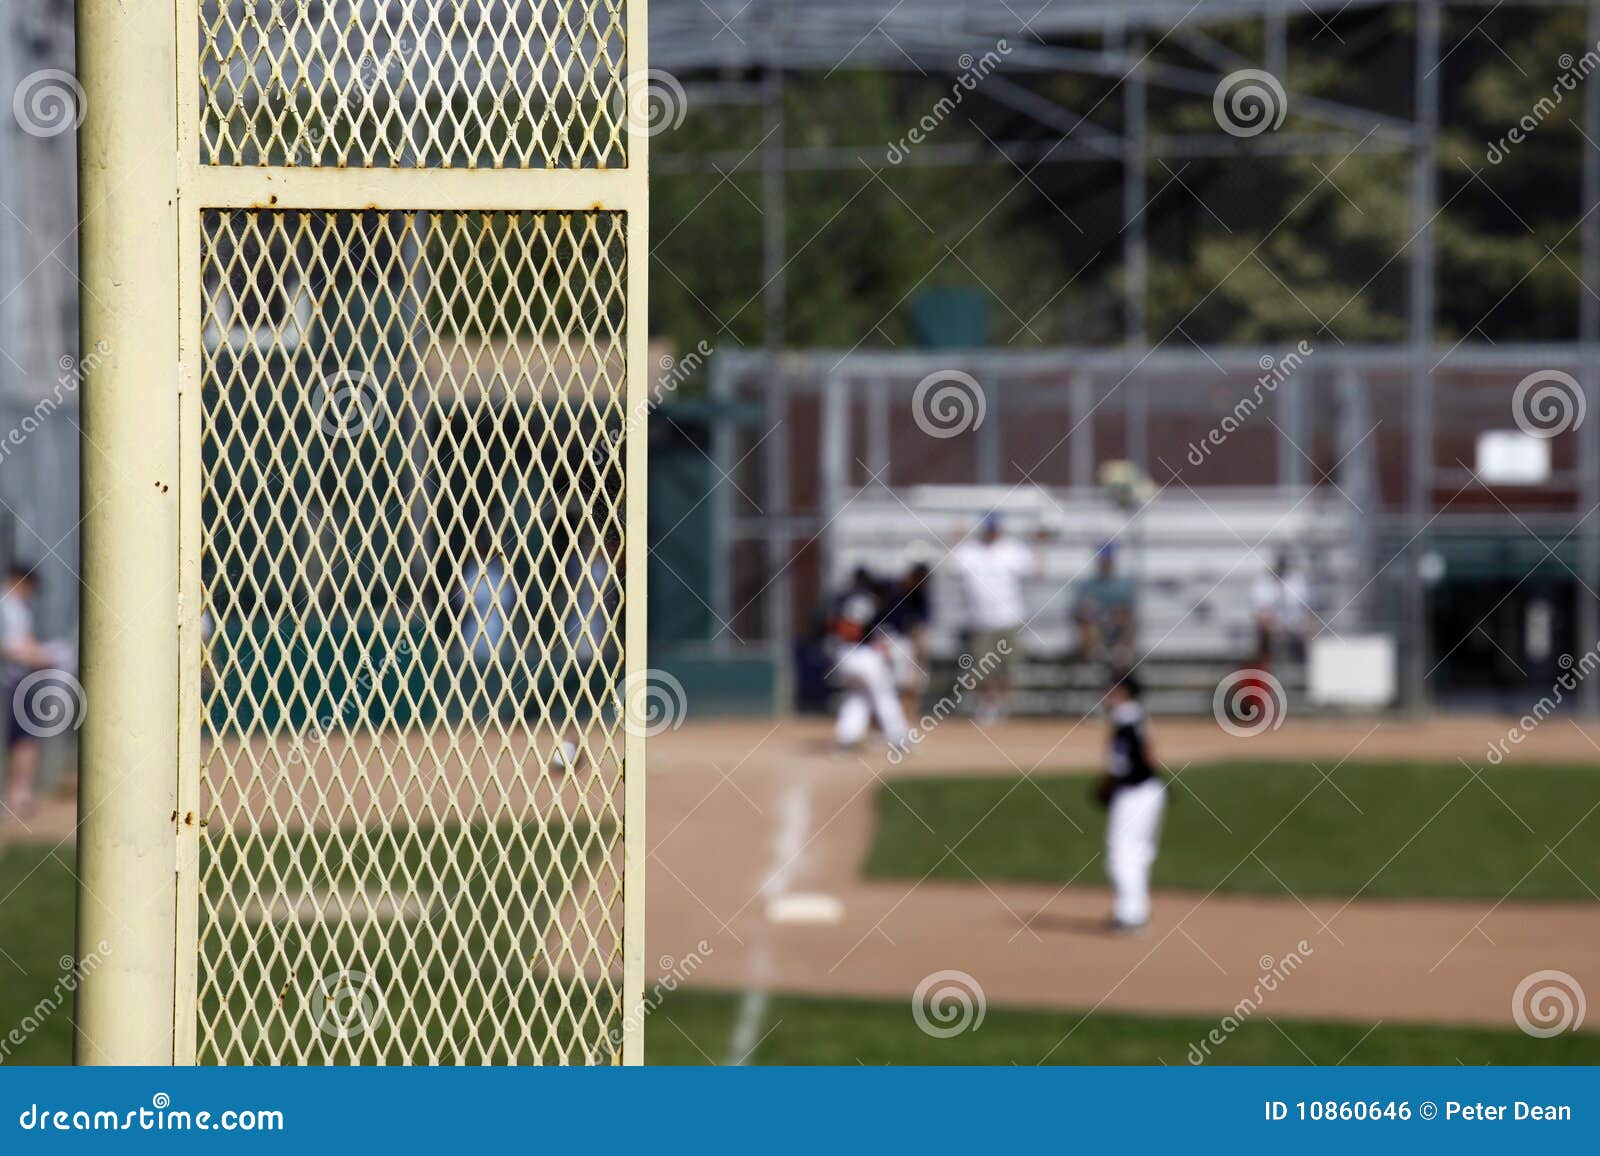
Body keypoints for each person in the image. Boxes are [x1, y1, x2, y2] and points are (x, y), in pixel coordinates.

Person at [1092, 673, 1166, 933]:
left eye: (1111, 690)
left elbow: (1120, 765)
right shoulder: (1139, 717)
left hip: (1133, 793)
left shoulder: (1124, 720)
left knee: (1121, 853)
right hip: (1150, 790)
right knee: (1138, 853)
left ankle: (1130, 915)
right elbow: (1150, 756)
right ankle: (1135, 911)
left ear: (1123, 693)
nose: (1106, 695)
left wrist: (1105, 787)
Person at [952, 513, 1035, 725]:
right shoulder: (970, 550)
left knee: (1007, 667)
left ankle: (1002, 707)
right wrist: (955, 539)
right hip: (981, 620)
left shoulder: (1013, 550)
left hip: (1009, 618)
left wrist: (1040, 543)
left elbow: (1035, 570)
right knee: (981, 668)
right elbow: (951, 566)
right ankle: (987, 706)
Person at [2, 565, 66, 820]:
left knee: (25, 738)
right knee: (24, 738)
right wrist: (42, 657)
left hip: (19, 679)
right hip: (13, 679)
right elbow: (9, 647)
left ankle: (20, 793)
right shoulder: (8, 606)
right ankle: (17, 794)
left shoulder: (15, 608)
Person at [826, 572, 909, 753]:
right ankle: (898, 737)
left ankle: (846, 738)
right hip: (862, 656)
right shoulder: (866, 600)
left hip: (844, 655)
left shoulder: (843, 598)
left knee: (859, 696)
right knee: (884, 694)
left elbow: (832, 626)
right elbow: (852, 630)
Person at [1073, 540, 1136, 674]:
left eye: (1108, 559)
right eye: (1103, 559)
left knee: (1127, 617)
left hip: (1116, 624)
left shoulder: (1124, 584)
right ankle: (1096, 652)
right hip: (1097, 624)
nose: (1106, 563)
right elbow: (1081, 611)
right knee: (1085, 619)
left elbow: (1128, 610)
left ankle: (1122, 652)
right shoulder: (1087, 585)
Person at [880, 561, 932, 720]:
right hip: (887, 639)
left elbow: (918, 630)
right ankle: (889, 720)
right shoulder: (892, 590)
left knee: (914, 681)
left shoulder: (920, 596)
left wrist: (920, 657)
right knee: (893, 683)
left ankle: (906, 717)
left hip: (905, 642)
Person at [1250, 551, 1312, 667]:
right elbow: (1260, 610)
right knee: (1265, 630)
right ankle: (1266, 665)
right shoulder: (1263, 582)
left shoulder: (1297, 580)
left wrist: (1302, 623)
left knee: (1306, 629)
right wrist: (1273, 624)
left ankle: (1301, 666)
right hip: (1271, 626)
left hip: (1294, 625)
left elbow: (1306, 607)